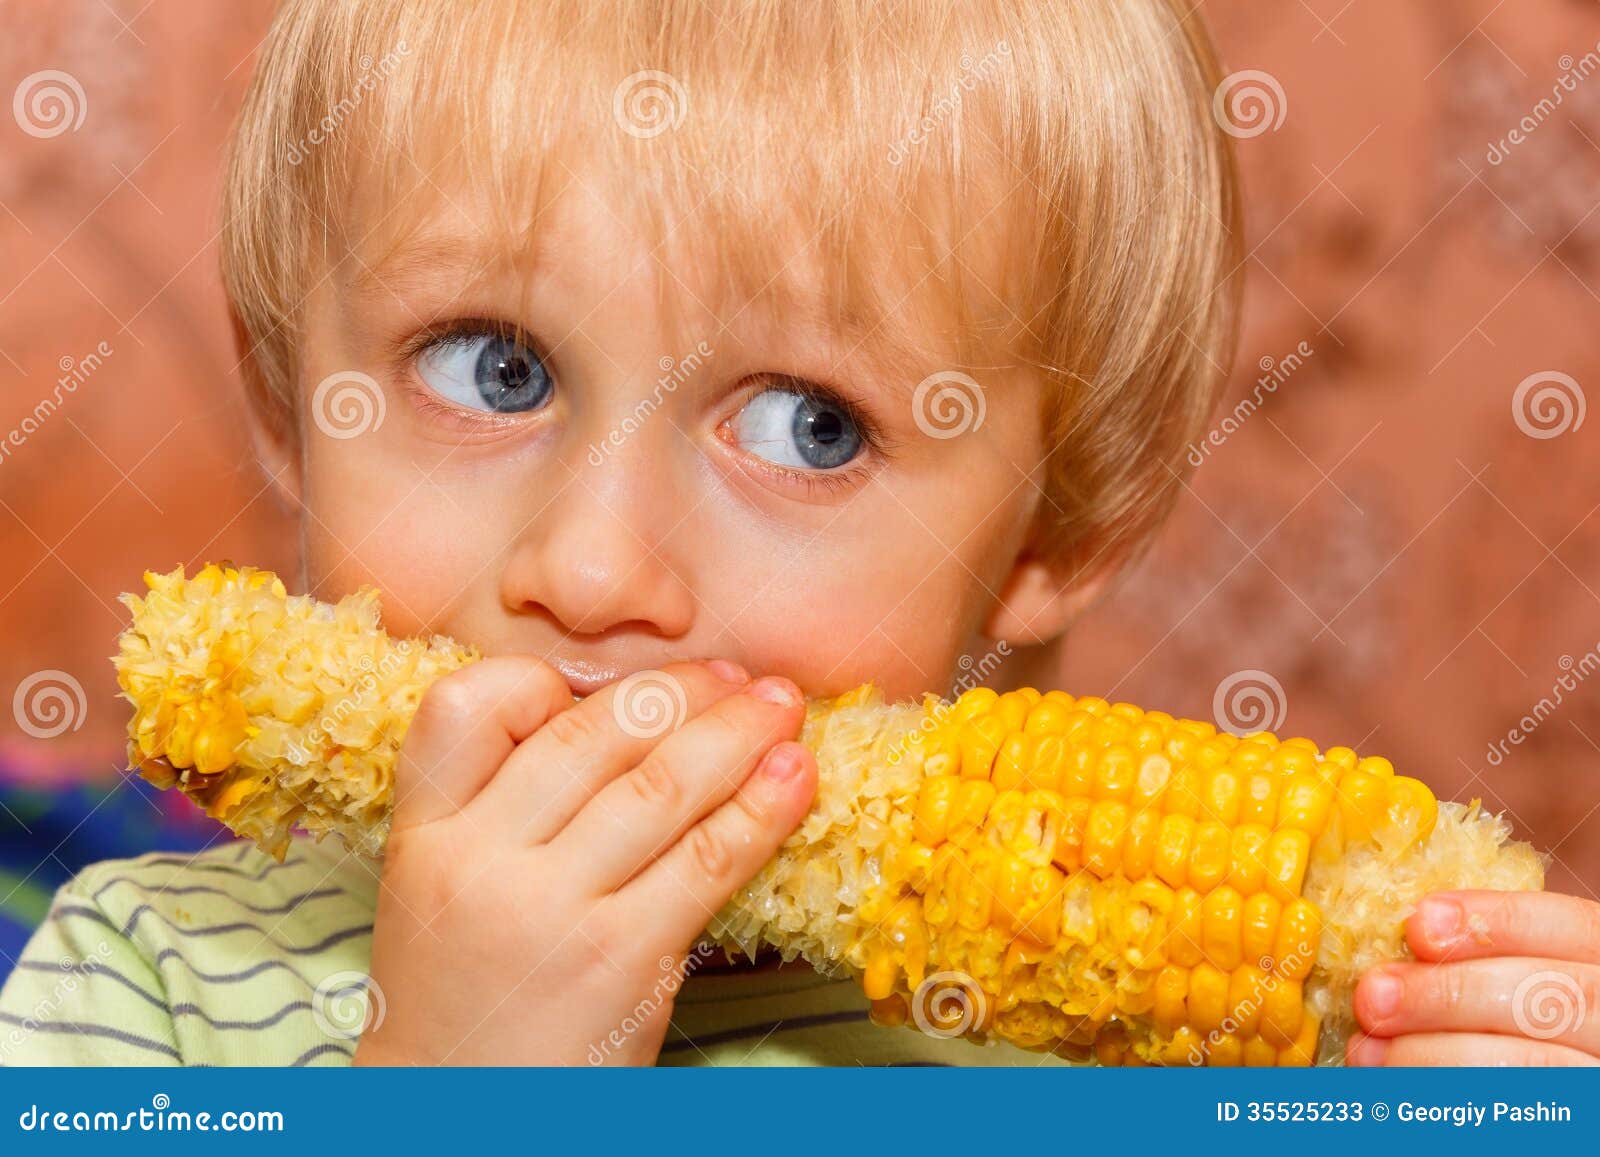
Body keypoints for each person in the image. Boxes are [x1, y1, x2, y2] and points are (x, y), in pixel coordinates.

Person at [5, 0, 1596, 1067]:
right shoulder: (131, 995)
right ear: (290, 402)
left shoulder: (1164, 1061)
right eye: (496, 366)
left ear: (1062, 518)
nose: (595, 565)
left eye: (808, 425)